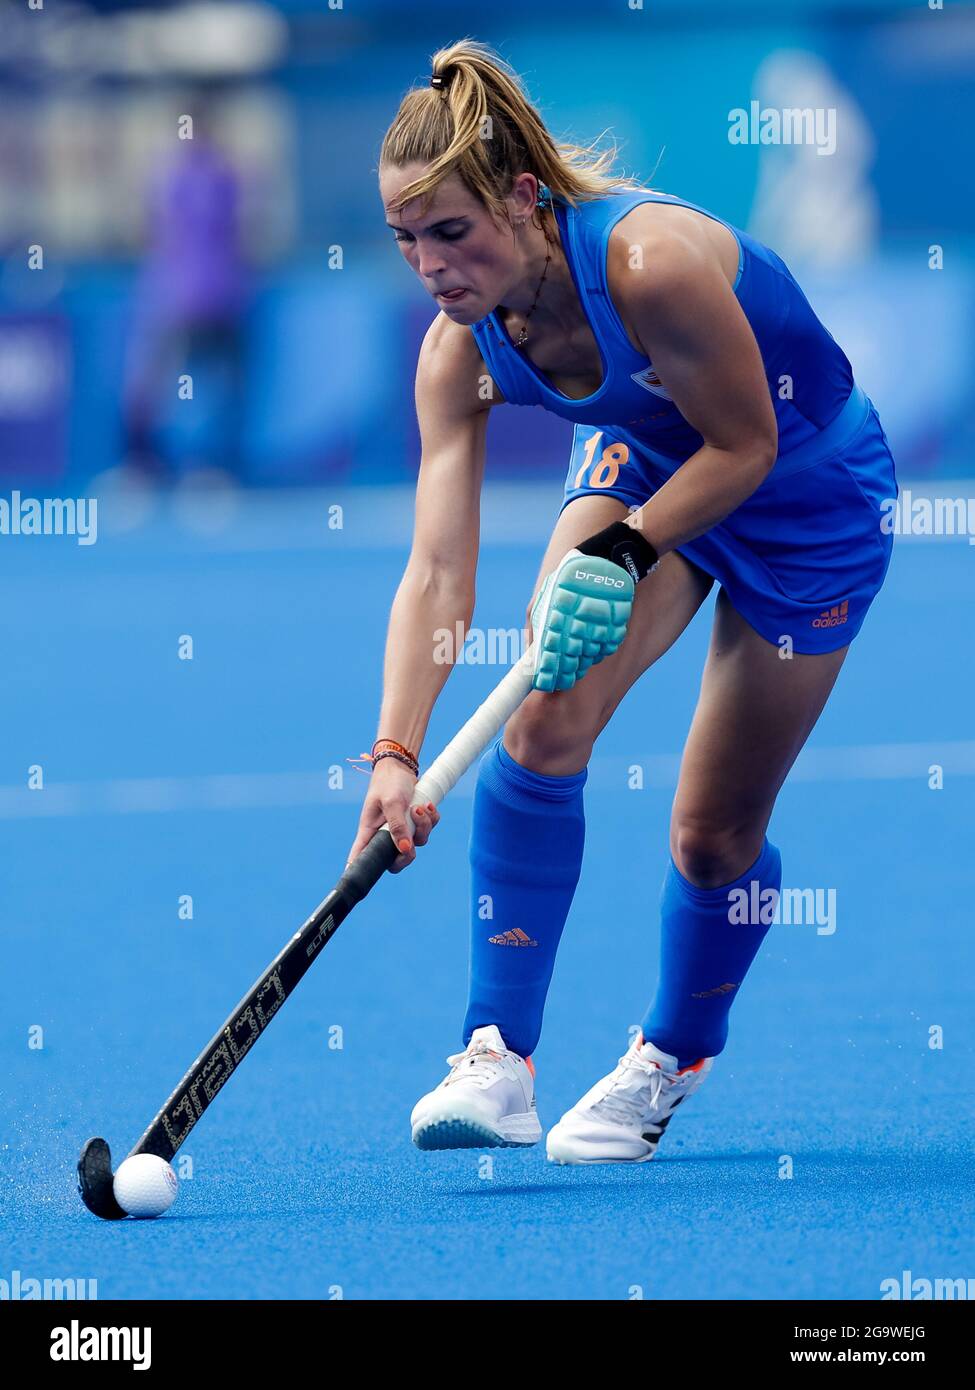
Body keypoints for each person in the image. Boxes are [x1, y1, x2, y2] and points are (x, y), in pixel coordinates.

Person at [348, 40, 897, 1163]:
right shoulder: (459, 352)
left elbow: (745, 444)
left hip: (805, 496)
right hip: (650, 460)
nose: (432, 267)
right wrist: (396, 751)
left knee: (712, 834)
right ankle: (496, 1055)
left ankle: (673, 1053)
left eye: (451, 232)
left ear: (525, 200)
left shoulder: (649, 262)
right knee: (542, 714)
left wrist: (628, 552)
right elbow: (439, 571)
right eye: (407, 241)